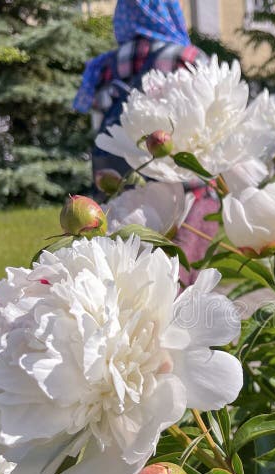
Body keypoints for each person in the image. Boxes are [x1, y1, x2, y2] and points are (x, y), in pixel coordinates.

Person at [73, 0, 218, 284]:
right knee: (181, 274)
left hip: (120, 181)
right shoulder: (187, 56)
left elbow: (97, 124)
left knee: (128, 269)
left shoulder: (103, 66)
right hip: (183, 183)